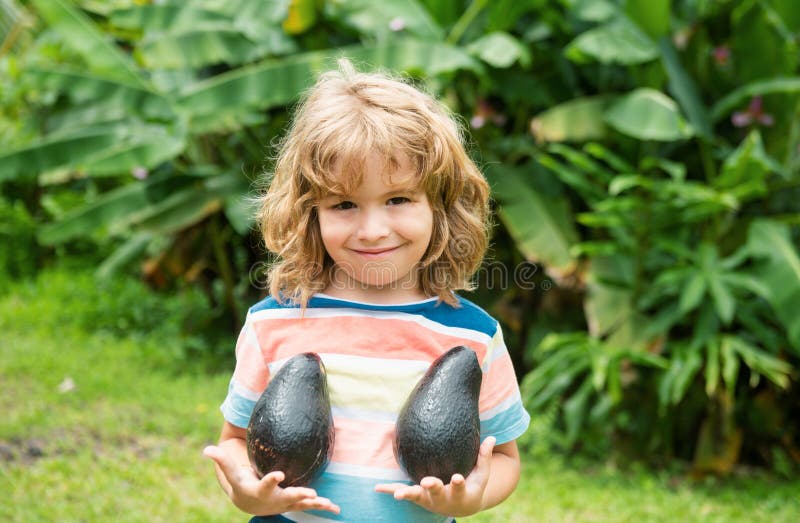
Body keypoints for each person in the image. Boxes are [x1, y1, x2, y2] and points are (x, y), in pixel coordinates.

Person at [203, 58, 531, 523]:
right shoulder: (272, 323)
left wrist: (471, 497)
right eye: (344, 204)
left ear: (439, 206)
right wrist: (249, 493)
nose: (373, 230)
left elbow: (504, 458)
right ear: (309, 213)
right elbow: (236, 442)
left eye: (398, 199)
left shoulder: (474, 336)